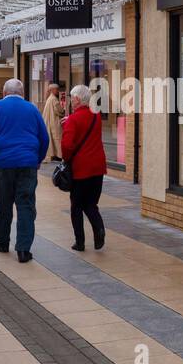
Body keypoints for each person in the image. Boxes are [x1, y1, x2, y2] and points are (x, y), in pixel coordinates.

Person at [0, 79, 48, 263]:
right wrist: (38, 159)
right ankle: (23, 250)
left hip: (1, 164)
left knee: (3, 202)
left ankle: (2, 241)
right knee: (25, 205)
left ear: (4, 93)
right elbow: (44, 137)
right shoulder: (32, 109)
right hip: (27, 163)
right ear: (22, 93)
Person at [61, 84, 107, 251]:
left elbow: (67, 146)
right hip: (98, 168)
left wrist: (66, 159)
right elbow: (85, 124)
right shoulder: (96, 116)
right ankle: (99, 230)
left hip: (81, 170)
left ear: (78, 99)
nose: (70, 102)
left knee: (76, 206)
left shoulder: (72, 120)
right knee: (91, 204)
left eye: (72, 99)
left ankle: (79, 242)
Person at [41, 83, 64, 162]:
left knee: (53, 139)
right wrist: (63, 111)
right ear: (52, 90)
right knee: (57, 138)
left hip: (49, 121)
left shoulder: (49, 98)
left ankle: (54, 154)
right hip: (54, 122)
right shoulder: (54, 99)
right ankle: (59, 155)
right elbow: (59, 110)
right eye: (57, 89)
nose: (58, 91)